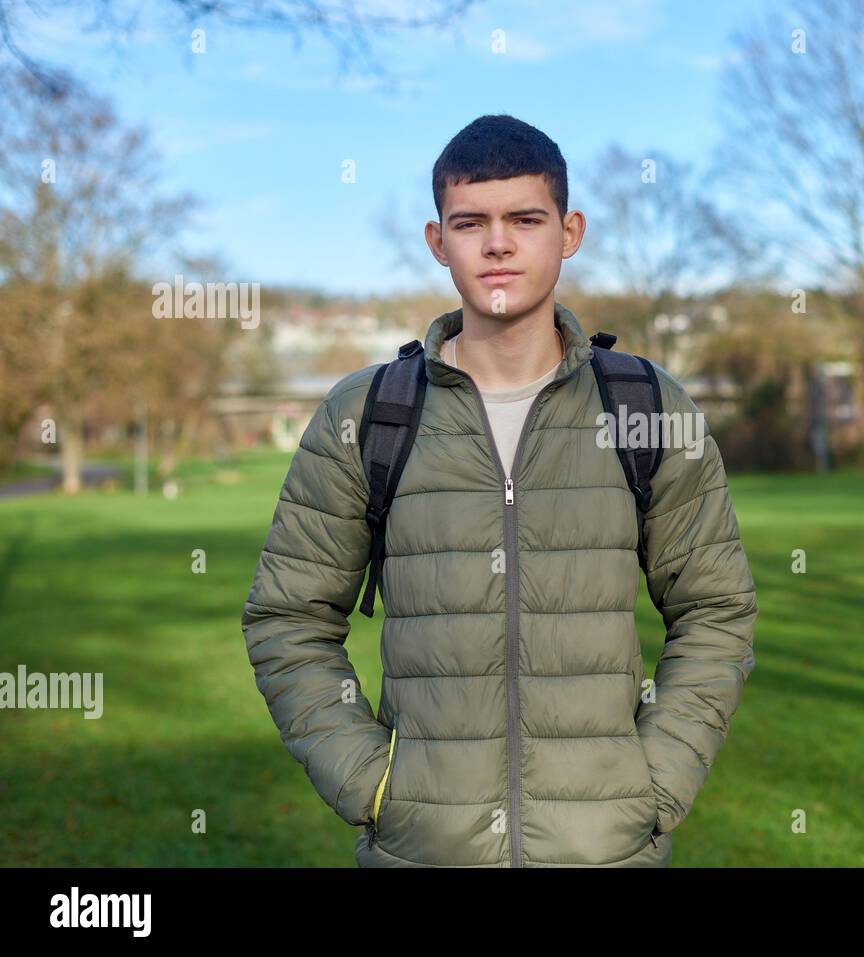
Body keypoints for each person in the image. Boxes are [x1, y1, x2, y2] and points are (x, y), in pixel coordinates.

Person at [240, 114, 758, 867]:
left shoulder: (645, 406)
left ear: (569, 230)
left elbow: (716, 608)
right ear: (437, 240)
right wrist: (373, 785)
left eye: (525, 218)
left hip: (604, 850)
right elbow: (287, 617)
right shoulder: (368, 414)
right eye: (471, 222)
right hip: (424, 849)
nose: (498, 243)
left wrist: (655, 783)